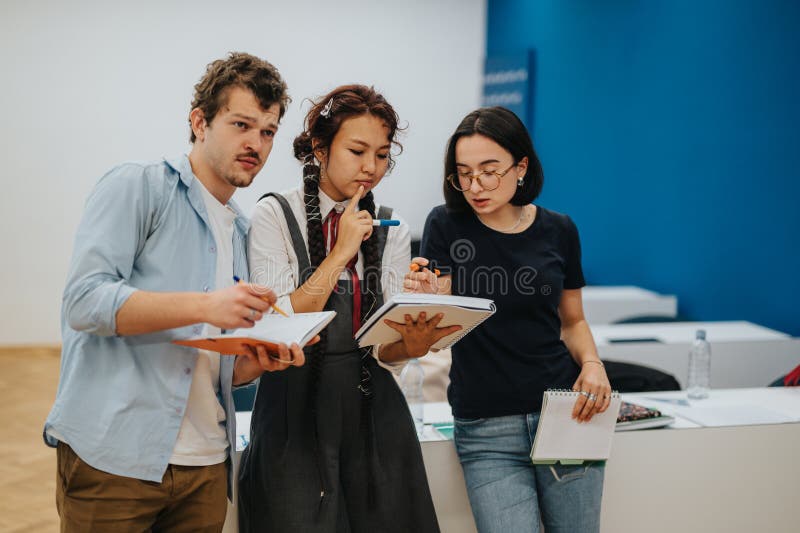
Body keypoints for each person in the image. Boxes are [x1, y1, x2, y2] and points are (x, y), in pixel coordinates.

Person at [43, 52, 306, 532]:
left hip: (206, 468)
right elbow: (85, 301)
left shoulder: (244, 233)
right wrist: (207, 305)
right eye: (241, 124)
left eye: (267, 132)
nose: (256, 143)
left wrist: (257, 361)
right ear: (200, 122)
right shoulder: (138, 187)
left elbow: (216, 366)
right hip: (115, 462)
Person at [240, 84, 457, 532]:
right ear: (320, 147)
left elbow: (384, 352)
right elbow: (279, 321)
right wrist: (339, 254)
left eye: (381, 155)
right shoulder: (274, 215)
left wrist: (414, 342)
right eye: (357, 150)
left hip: (376, 417)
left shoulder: (392, 227)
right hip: (291, 417)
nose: (370, 168)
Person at [407, 106, 613, 533]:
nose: (475, 186)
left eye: (489, 171)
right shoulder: (445, 224)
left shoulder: (560, 230)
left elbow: (572, 322)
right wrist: (425, 300)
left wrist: (592, 364)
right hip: (485, 427)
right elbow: (441, 326)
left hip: (565, 413)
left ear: (521, 166)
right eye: (463, 173)